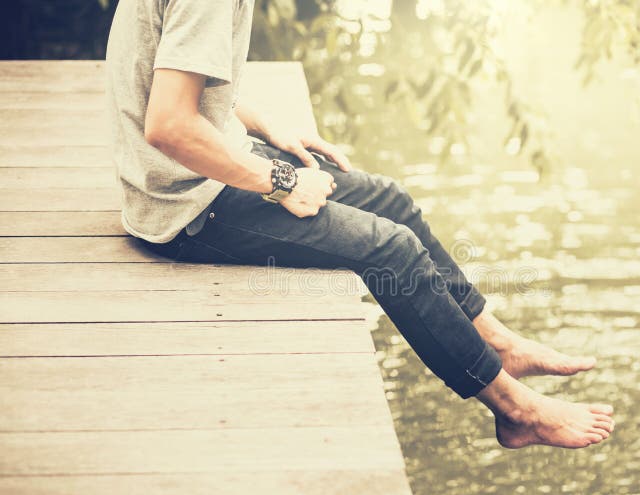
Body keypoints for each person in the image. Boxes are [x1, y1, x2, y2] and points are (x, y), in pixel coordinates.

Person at [105, 0, 614, 449]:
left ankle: (497, 342)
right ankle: (517, 412)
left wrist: (266, 129)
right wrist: (281, 181)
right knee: (392, 249)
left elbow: (186, 79)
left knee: (392, 200)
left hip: (213, 168)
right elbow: (169, 123)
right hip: (188, 206)